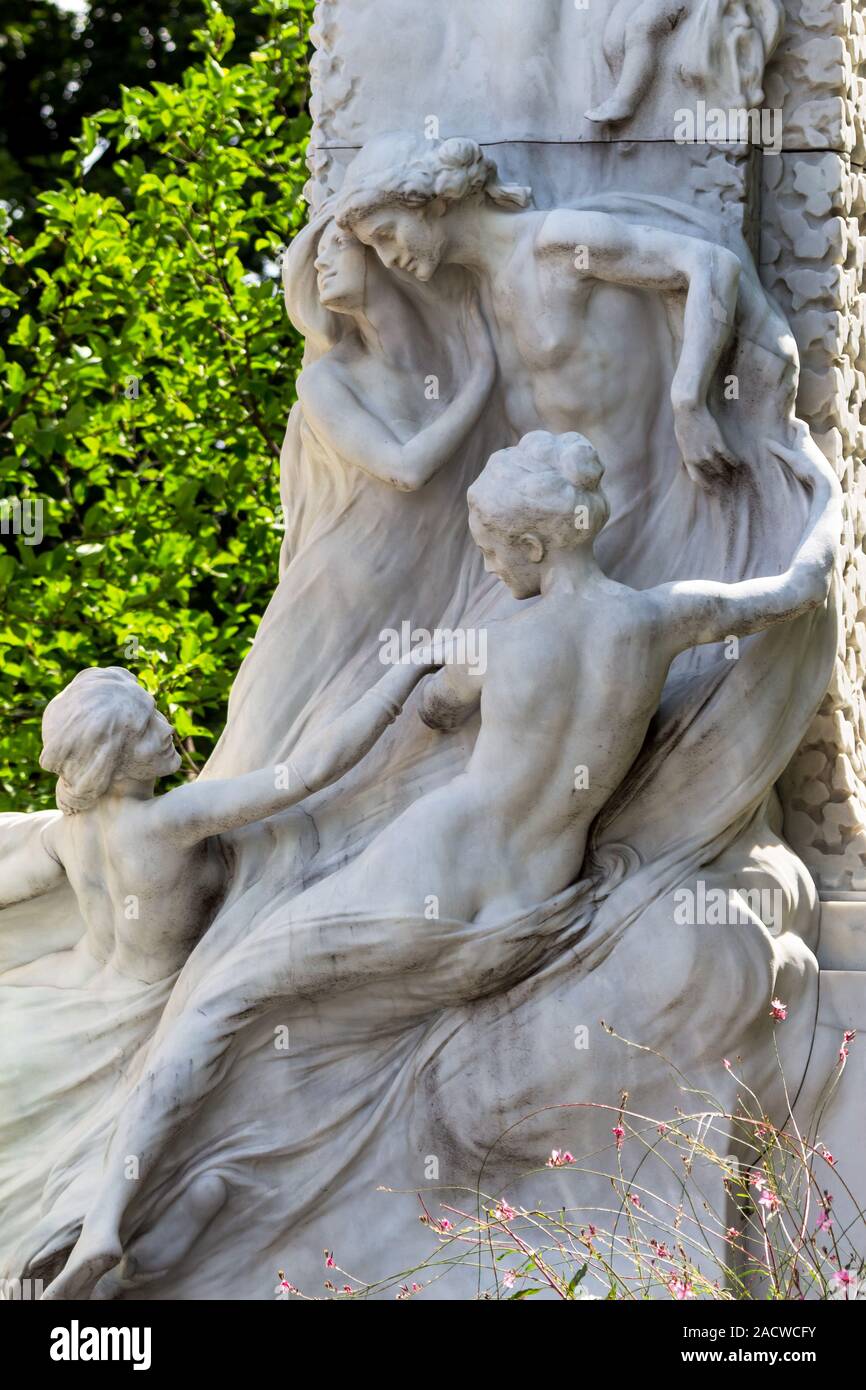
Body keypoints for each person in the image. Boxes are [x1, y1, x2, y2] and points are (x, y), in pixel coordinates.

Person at [43, 427, 840, 1299]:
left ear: (533, 545)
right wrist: (822, 487)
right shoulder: (660, 618)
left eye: (497, 553)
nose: (494, 570)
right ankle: (218, 1196)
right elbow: (796, 587)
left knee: (226, 1004)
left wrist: (422, 671)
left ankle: (107, 1224)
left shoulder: (497, 641)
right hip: (530, 909)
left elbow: (434, 706)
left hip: (432, 873)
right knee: (339, 1034)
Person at [1, 661, 436, 989]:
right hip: (133, 994)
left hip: (75, 976)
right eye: (146, 729)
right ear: (108, 762)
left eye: (155, 712)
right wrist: (404, 671)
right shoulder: (173, 817)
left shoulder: (64, 832)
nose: (167, 727)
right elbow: (309, 772)